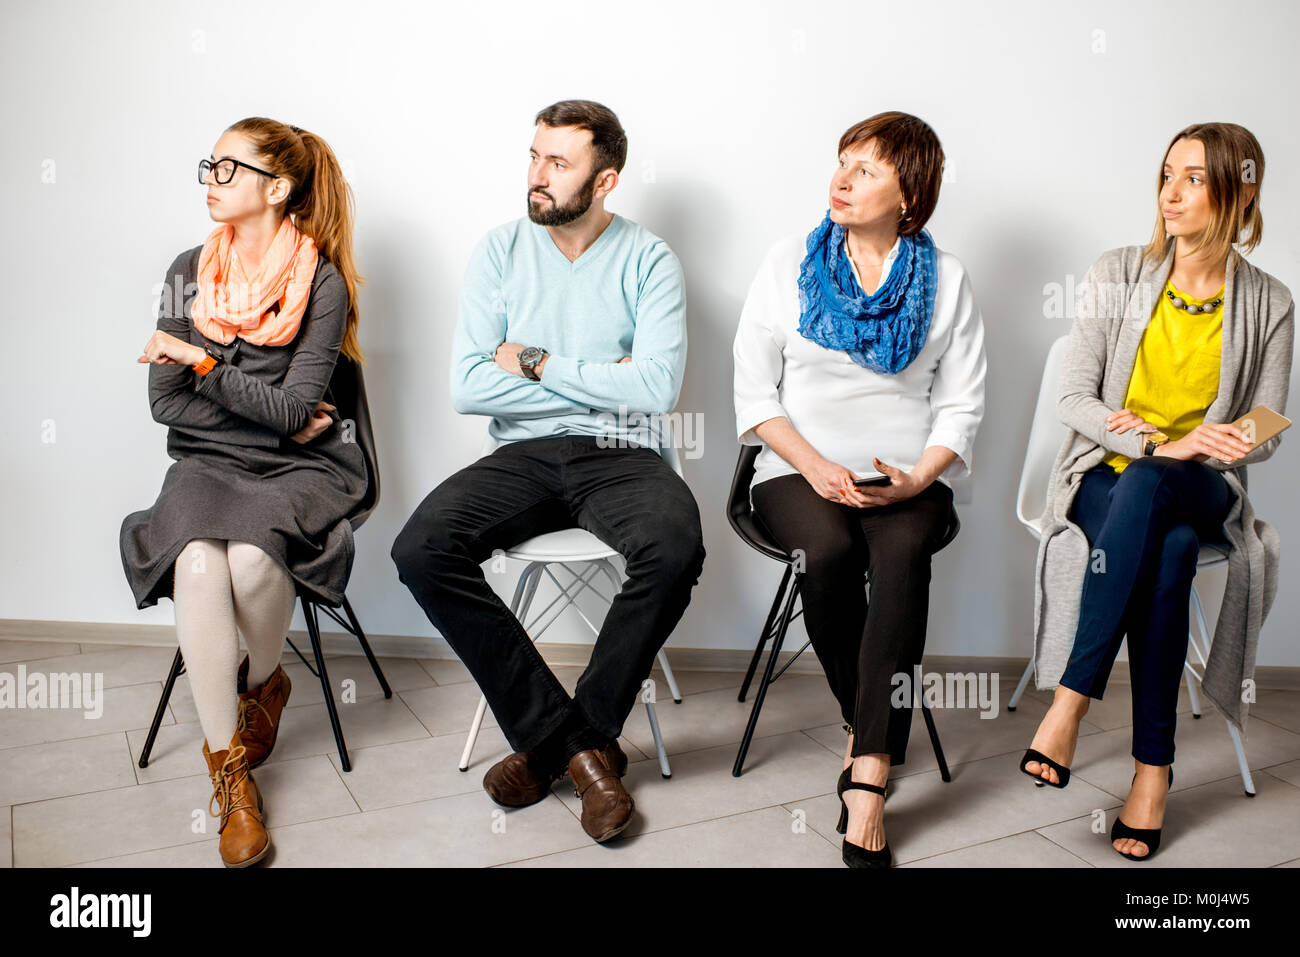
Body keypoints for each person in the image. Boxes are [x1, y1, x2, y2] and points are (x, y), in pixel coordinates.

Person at [391, 100, 705, 844]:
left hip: (624, 451)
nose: (536, 175)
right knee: (420, 548)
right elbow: (468, 386)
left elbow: (655, 390)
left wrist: (533, 360)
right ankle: (580, 747)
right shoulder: (499, 251)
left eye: (558, 163)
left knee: (676, 547)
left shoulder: (649, 259)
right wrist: (605, 373)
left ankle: (564, 740)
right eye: (534, 156)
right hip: (523, 455)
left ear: (605, 181)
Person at [1023, 122, 1293, 861]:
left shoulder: (1271, 302)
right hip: (1109, 481)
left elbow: (1270, 425)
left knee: (1165, 495)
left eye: (1194, 179)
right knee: (1168, 546)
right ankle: (1152, 773)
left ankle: (1071, 701)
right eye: (1166, 174)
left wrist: (1232, 438)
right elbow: (1074, 398)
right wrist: (1154, 442)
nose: (1170, 193)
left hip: (1204, 484)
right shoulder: (1118, 273)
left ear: (1239, 191)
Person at [732, 111, 987, 867]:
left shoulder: (947, 281)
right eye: (841, 161)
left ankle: (866, 771)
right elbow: (754, 393)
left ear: (910, 192)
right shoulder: (788, 262)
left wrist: (917, 475)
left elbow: (962, 404)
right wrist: (814, 466)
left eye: (867, 169)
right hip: (795, 467)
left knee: (905, 551)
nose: (842, 180)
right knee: (830, 549)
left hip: (907, 473)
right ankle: (871, 729)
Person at [121, 118, 366, 867]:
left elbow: (298, 413)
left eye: (228, 169)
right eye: (210, 165)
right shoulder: (186, 269)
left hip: (305, 468)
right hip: (207, 461)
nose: (210, 180)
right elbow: (167, 405)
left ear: (278, 187)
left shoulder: (321, 281)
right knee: (198, 562)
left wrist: (200, 360)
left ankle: (263, 683)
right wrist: (269, 418)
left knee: (256, 564)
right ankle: (231, 774)